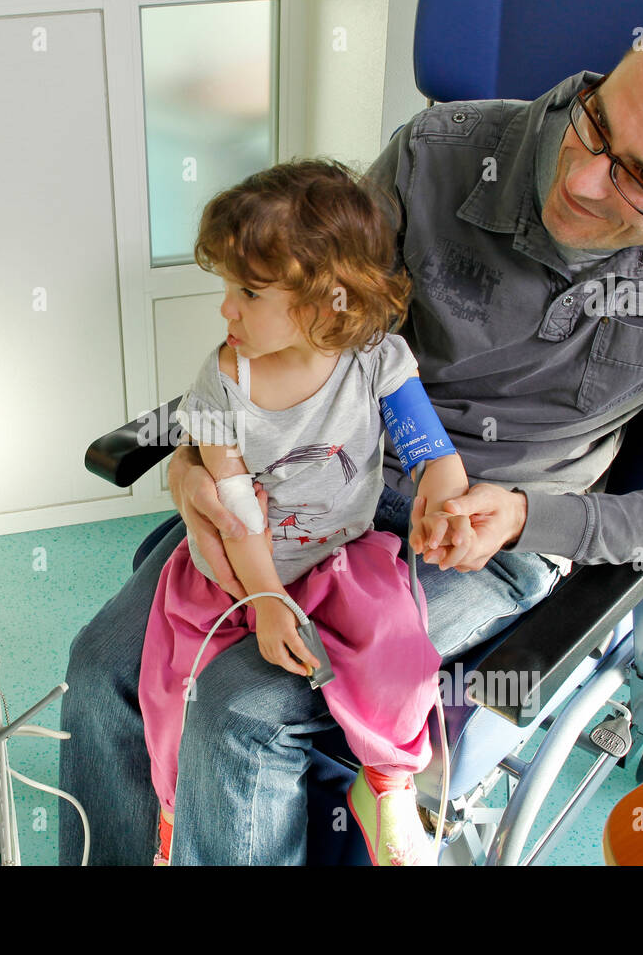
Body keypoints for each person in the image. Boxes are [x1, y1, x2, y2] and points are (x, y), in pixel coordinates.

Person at [60, 0, 643, 865]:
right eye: (596, 122)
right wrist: (198, 457)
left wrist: (530, 518)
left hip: (490, 532)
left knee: (243, 708)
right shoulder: (440, 154)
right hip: (316, 480)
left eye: (639, 181)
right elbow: (293, 313)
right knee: (99, 669)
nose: (580, 179)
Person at [140, 160, 468, 866]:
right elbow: (235, 514)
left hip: (341, 560)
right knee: (174, 692)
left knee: (400, 655)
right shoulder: (223, 379)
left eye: (250, 292)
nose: (227, 309)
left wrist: (443, 497)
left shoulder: (376, 360)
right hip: (235, 565)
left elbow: (432, 452)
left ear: (330, 301)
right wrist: (263, 601)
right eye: (228, 287)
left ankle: (388, 783)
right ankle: (174, 817)